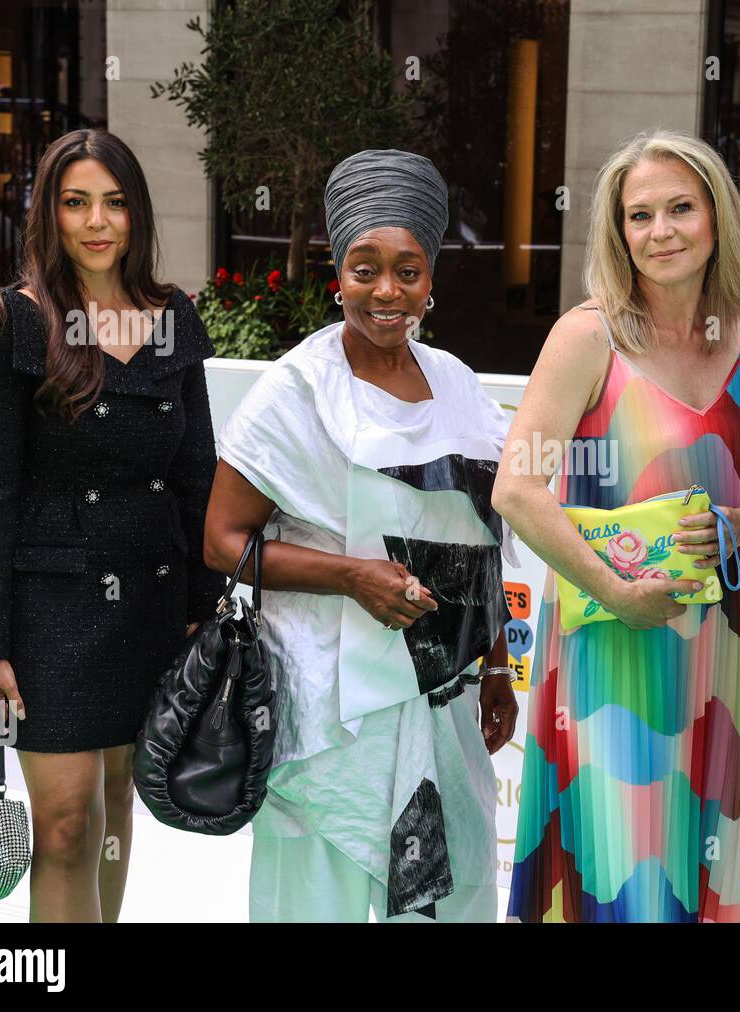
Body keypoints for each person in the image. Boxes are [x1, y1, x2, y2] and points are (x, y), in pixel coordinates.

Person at [205, 149, 517, 923]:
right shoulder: (294, 391)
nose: (387, 291)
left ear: (431, 280)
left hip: (442, 700)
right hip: (326, 713)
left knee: (451, 890)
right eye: (364, 268)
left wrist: (501, 667)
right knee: (319, 898)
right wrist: (352, 577)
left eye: (407, 271)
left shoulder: (459, 386)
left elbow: (484, 540)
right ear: (335, 274)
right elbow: (221, 541)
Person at [496, 130, 740, 922]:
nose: (661, 231)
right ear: (618, 232)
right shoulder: (588, 336)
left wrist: (737, 524)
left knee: (704, 861)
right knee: (620, 865)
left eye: (681, 209)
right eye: (640, 215)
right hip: (607, 654)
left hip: (716, 659)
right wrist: (617, 589)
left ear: (718, 217)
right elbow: (518, 491)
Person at [0, 128, 224, 922]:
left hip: (154, 604)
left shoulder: (172, 315)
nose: (96, 221)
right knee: (68, 826)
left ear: (137, 214)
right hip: (51, 616)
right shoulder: (11, 321)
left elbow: (196, 477)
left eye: (113, 203)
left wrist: (204, 615)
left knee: (116, 803)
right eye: (76, 203)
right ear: (50, 214)